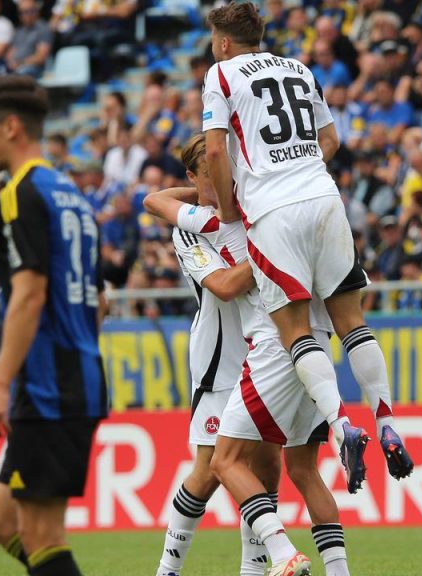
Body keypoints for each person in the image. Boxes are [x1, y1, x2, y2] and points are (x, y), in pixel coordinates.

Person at [202, 2, 413, 497]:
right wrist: (297, 167)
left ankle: (342, 426)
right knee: (352, 321)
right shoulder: (299, 68)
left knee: (296, 329)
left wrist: (234, 208)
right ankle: (385, 419)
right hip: (324, 199)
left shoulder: (221, 74)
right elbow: (332, 141)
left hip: (275, 214)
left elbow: (214, 150)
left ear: (225, 42)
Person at [145, 134, 353, 576]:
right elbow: (220, 284)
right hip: (221, 359)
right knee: (209, 469)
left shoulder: (257, 209)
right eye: (211, 173)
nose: (225, 179)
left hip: (272, 347)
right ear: (193, 176)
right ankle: (168, 569)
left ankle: (256, 569)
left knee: (268, 468)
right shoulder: (192, 227)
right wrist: (271, 257)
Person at [0, 75, 107, 576]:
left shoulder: (18, 195)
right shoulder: (69, 194)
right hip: (75, 376)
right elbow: (100, 299)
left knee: (43, 534)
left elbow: (29, 294)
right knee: (3, 521)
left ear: (10, 127)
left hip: (50, 386)